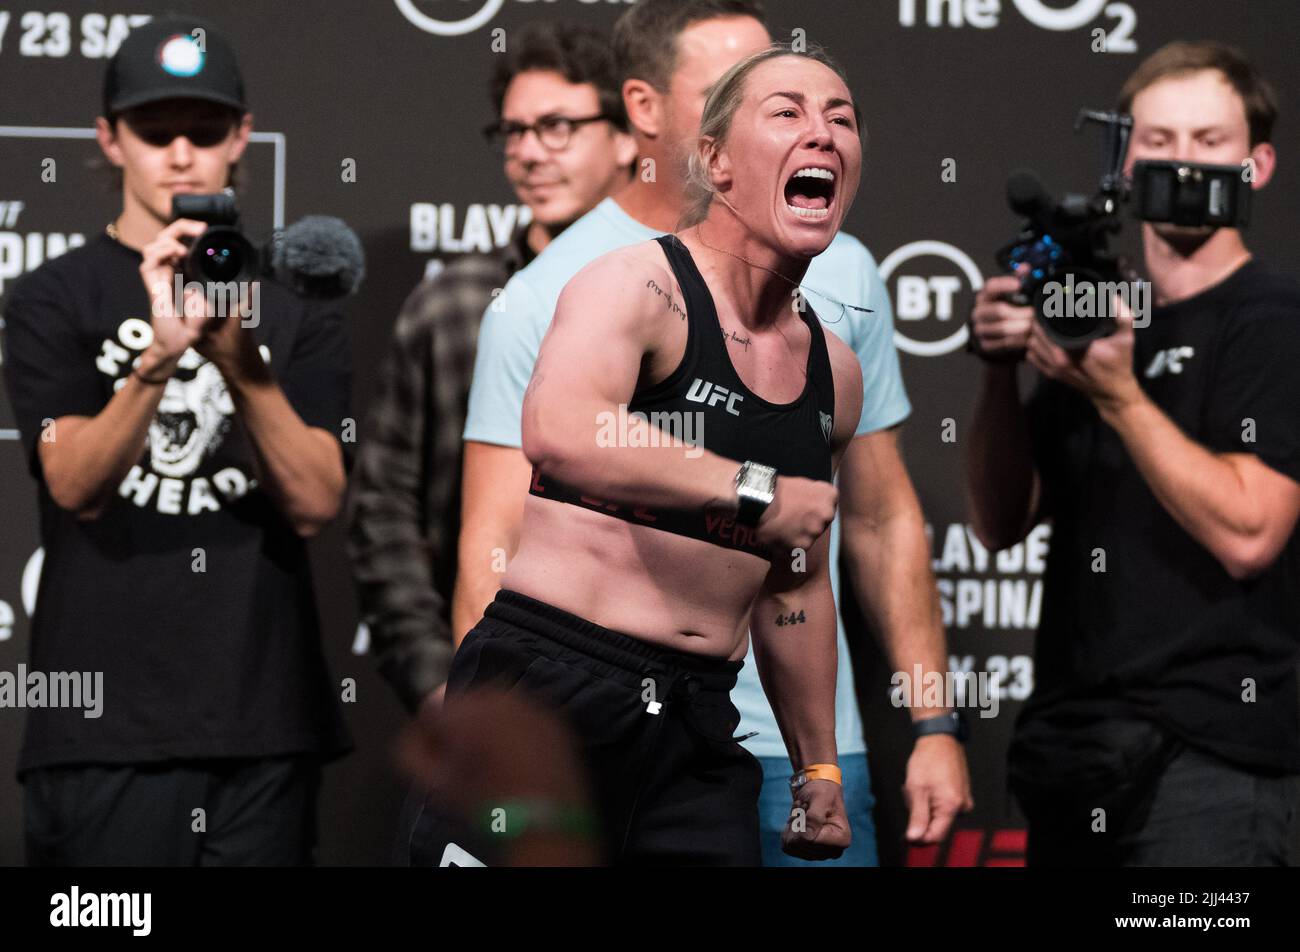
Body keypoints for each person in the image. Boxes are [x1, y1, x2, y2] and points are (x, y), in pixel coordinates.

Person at [457, 0, 970, 866]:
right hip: (558, 691)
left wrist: (819, 765)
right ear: (716, 161)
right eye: (787, 114)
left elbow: (792, 584)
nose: (822, 133)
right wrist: (755, 488)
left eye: (840, 119)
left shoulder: (833, 372)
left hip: (701, 716)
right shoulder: (633, 285)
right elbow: (563, 430)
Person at [0, 17, 351, 865]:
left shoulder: (295, 299)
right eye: (156, 131)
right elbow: (72, 482)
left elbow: (315, 500)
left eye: (203, 130)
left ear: (241, 137)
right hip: (104, 730)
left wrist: (240, 361)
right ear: (110, 140)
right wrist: (158, 358)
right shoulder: (50, 297)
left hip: (263, 722)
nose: (181, 153)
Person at [967, 40, 1300, 865]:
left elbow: (1250, 533)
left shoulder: (1274, 320)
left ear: (1256, 165)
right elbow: (999, 522)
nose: (1182, 164)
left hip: (1214, 761)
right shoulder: (1099, 309)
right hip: (1073, 755)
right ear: (1123, 157)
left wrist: (1118, 395)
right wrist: (1000, 377)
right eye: (1159, 142)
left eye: (1208, 142)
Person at [347, 18, 634, 721]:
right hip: (499, 697)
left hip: (657, 699)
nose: (530, 154)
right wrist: (439, 686)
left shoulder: (691, 304)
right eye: (514, 132)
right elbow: (384, 511)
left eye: (558, 127)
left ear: (629, 135)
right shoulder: (454, 309)